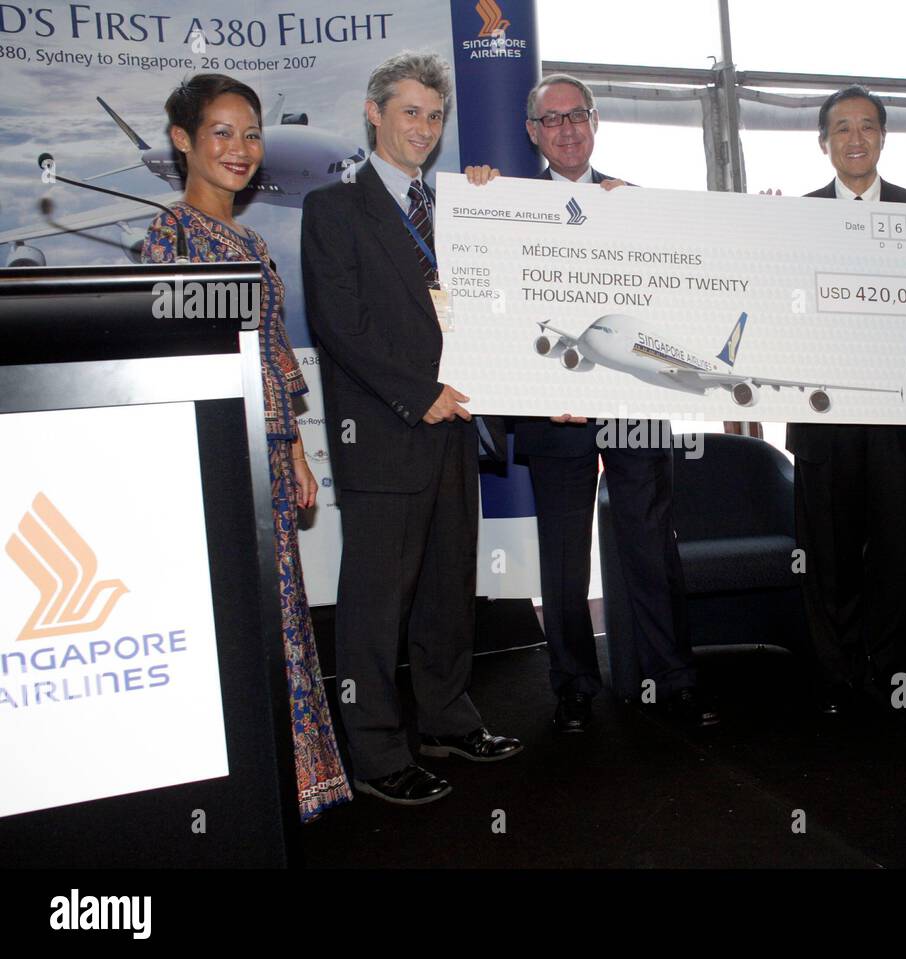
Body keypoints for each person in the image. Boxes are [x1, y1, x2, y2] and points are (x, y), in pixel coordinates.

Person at [300, 50, 521, 807]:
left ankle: (447, 718)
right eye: (409, 113)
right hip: (388, 430)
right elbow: (339, 324)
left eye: (434, 115)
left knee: (448, 588)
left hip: (457, 427)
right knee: (373, 603)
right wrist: (415, 394)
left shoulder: (459, 207)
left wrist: (496, 210)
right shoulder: (334, 208)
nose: (424, 127)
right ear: (374, 113)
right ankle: (376, 750)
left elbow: (501, 295)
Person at [142, 74, 351, 822]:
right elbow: (176, 360)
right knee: (230, 621)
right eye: (222, 133)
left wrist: (292, 451)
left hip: (266, 454)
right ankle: (234, 794)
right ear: (183, 141)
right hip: (214, 458)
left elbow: (269, 354)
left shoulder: (253, 242)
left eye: (250, 133)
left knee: (282, 616)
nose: (240, 149)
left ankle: (295, 781)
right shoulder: (169, 236)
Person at [498, 73, 716, 730]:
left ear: (595, 124)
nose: (567, 129)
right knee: (564, 557)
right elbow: (500, 310)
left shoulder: (636, 202)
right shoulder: (505, 206)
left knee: (651, 543)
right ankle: (572, 686)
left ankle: (673, 678)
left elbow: (678, 298)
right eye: (552, 119)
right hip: (552, 409)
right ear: (533, 132)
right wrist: (538, 393)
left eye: (578, 116)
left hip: (631, 401)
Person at [789, 86, 906, 716]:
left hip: (898, 420)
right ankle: (836, 676)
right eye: (842, 129)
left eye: (868, 127)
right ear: (824, 143)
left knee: (892, 553)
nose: (856, 139)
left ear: (883, 137)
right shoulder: (788, 221)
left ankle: (891, 669)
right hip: (823, 420)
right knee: (827, 556)